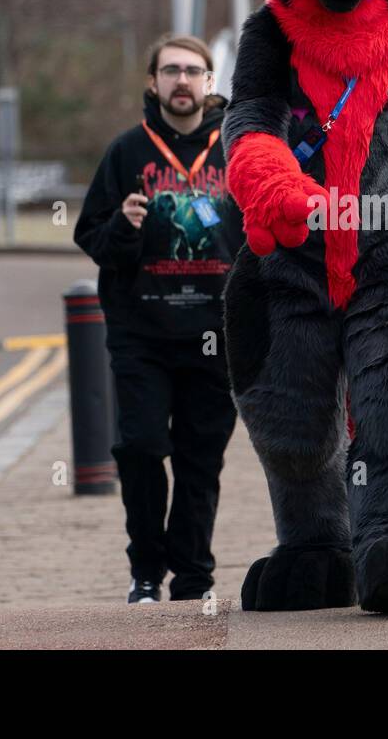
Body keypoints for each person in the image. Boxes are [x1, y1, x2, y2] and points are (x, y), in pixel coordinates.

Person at [74, 34, 243, 604]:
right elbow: (91, 238)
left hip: (214, 336)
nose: (182, 81)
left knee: (201, 462)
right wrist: (122, 224)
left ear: (209, 83)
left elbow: (265, 236)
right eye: (170, 71)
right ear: (152, 82)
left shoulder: (237, 149)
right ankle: (146, 569)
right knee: (142, 448)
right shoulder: (127, 152)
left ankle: (193, 579)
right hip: (141, 332)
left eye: (193, 71)